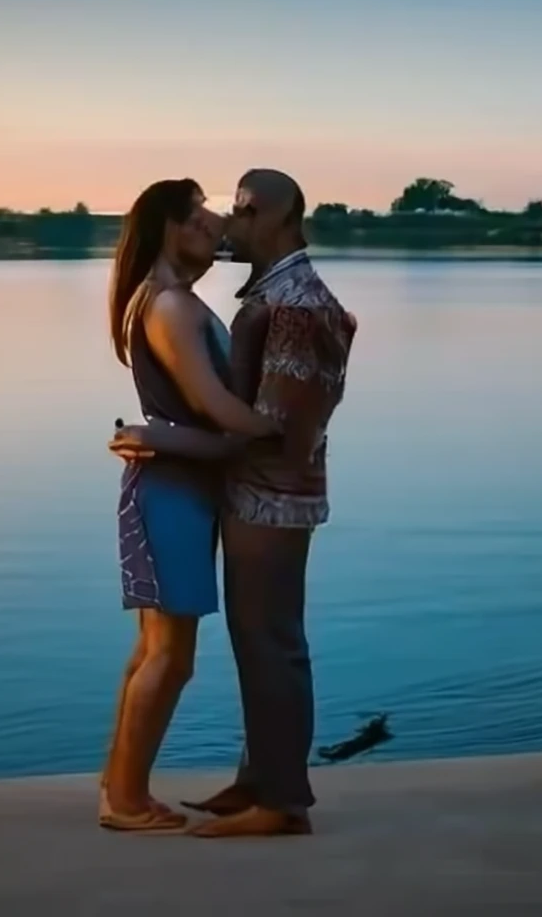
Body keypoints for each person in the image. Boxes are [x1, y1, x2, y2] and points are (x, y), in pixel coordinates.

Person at [111, 168, 356, 838]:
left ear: (276, 217)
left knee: (269, 643)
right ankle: (257, 782)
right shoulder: (263, 297)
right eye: (219, 212)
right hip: (247, 496)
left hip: (272, 500)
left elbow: (275, 429)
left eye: (241, 212)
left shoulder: (294, 303)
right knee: (251, 643)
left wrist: (162, 437)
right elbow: (251, 420)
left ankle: (278, 802)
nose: (226, 224)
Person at [100, 177, 280, 832]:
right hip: (170, 497)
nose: (216, 232)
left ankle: (118, 783)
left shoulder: (170, 299)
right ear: (172, 228)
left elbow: (197, 418)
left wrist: (166, 435)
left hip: (179, 491)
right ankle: (124, 801)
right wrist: (276, 429)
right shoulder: (171, 305)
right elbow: (214, 406)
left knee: (155, 650)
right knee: (169, 656)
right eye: (204, 223)